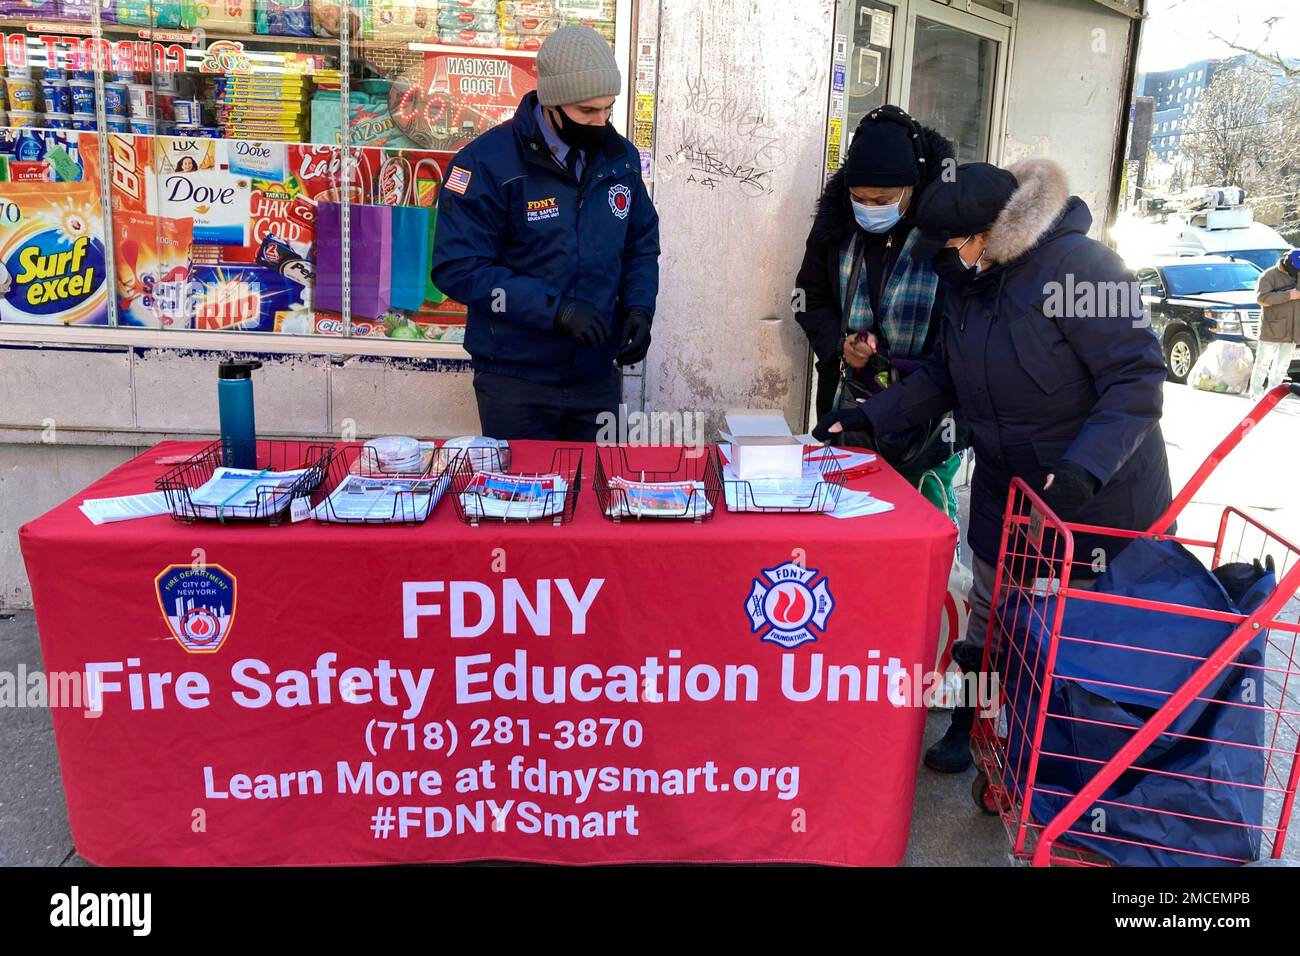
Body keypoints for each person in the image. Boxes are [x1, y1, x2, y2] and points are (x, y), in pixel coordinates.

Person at [814, 159, 1173, 773]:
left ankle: (1072, 756)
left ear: (990, 233)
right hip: (1006, 486)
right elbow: (947, 376)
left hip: (1093, 492)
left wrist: (1085, 470)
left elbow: (1136, 381)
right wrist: (872, 417)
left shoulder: (1084, 270)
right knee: (990, 612)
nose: (945, 259)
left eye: (953, 245)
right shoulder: (970, 283)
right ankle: (970, 725)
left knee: (1074, 633)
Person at [431, 25, 660, 441]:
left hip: (595, 376)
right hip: (516, 380)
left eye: (608, 109)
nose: (601, 121)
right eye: (587, 112)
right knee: (522, 498)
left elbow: (641, 245)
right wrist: (556, 311)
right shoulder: (486, 163)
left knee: (594, 493)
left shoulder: (619, 157)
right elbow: (458, 268)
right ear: (552, 102)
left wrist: (639, 309)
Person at [794, 106, 961, 513]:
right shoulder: (835, 228)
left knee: (917, 523)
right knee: (848, 521)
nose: (869, 207)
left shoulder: (948, 233)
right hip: (848, 400)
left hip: (926, 415)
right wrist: (839, 343)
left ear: (911, 189)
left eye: (883, 199)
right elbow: (807, 298)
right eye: (859, 198)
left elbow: (962, 325)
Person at [1249, 249, 1300, 399]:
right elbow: (1262, 299)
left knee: (1281, 367)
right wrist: (1288, 295)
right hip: (1272, 329)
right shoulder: (1268, 275)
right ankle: (1256, 394)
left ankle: (1272, 395)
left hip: (1293, 331)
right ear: (1286, 261)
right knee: (1262, 364)